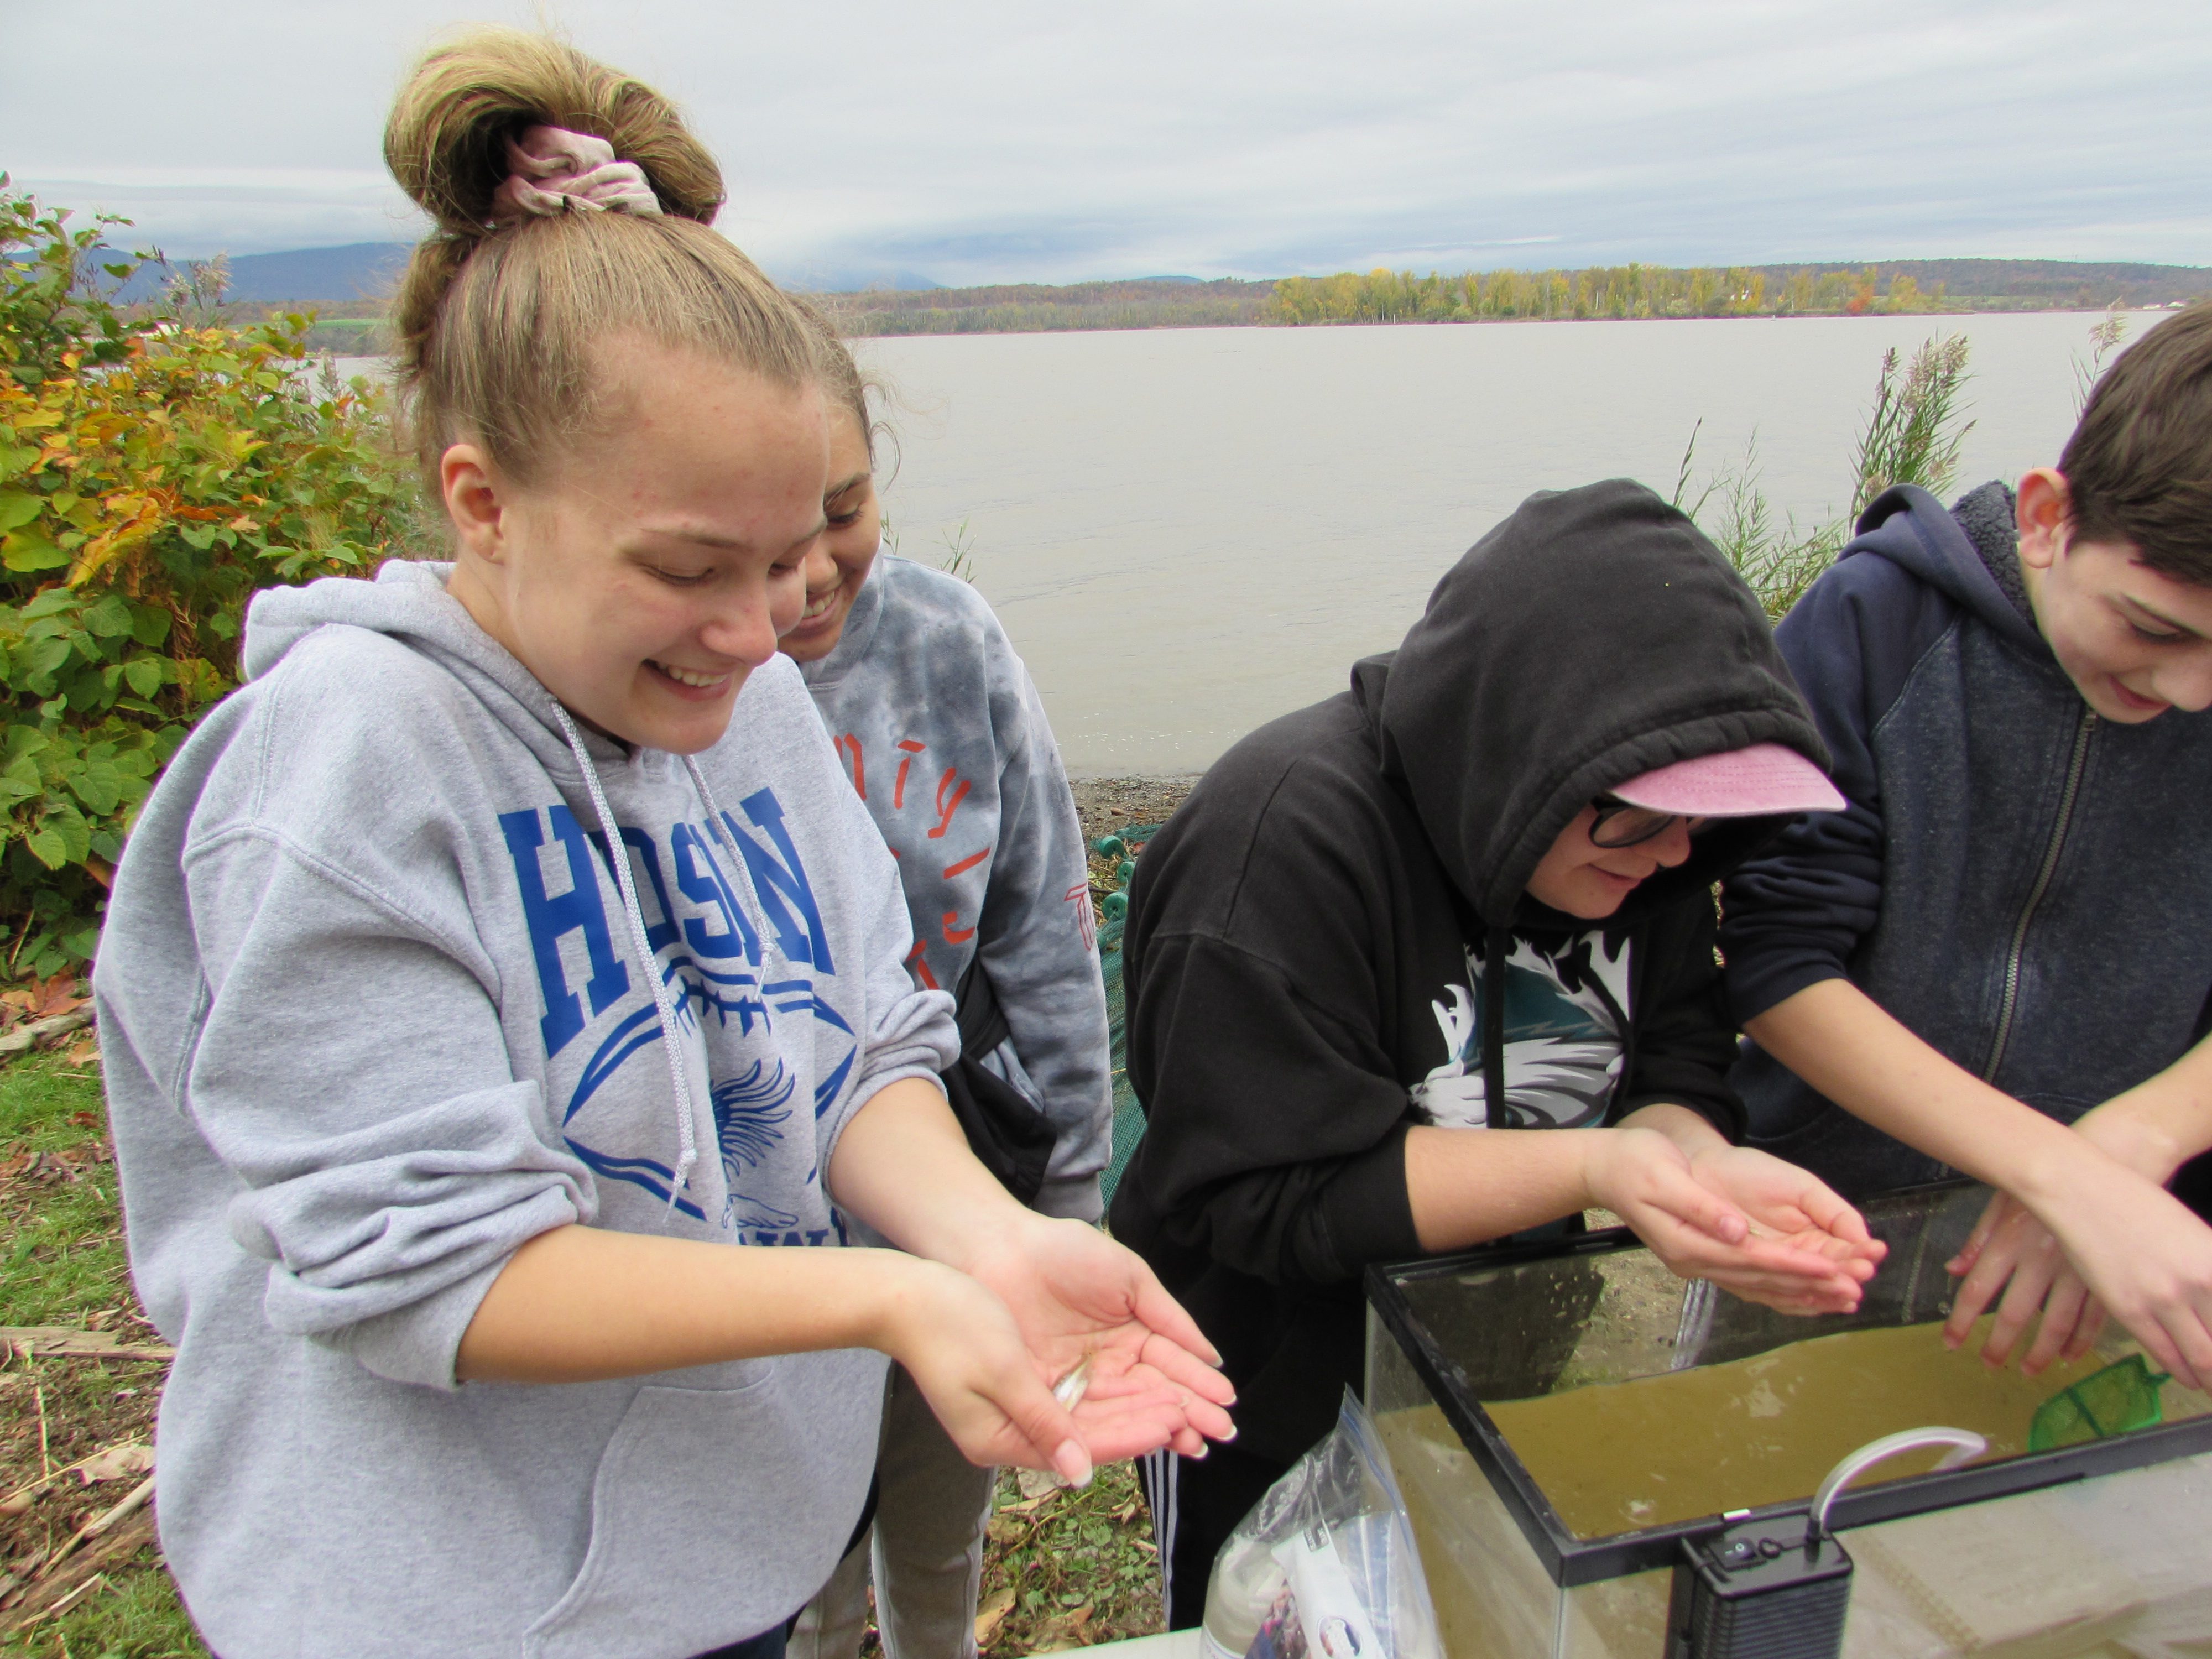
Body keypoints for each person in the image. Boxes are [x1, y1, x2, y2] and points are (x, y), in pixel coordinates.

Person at [92, 32, 1229, 1659]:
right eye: (692, 566)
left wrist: (990, 1236)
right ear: (481, 502)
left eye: (794, 556)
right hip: (443, 1606)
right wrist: (889, 1295)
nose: (759, 627)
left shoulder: (748, 697)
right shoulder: (346, 764)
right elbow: (432, 1276)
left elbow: (863, 1045)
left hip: (729, 1556)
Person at [1109, 480, 1886, 1626]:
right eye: (1636, 816)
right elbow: (1271, 1198)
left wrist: (1693, 1168)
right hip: (1252, 1390)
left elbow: (1675, 1060)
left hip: (1492, 1366)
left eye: (1701, 822)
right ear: (1524, 753)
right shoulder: (1272, 853)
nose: (1672, 855)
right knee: (1253, 1625)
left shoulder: (1651, 856)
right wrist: (1593, 1170)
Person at [1720, 304, 2212, 1394]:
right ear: (2046, 516)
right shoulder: (1871, 620)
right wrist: (2055, 1173)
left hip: (2138, 1242)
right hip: (1836, 1218)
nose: (2188, 692)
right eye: (2153, 627)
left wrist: (2122, 1158)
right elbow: (1774, 963)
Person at [780, 321, 1113, 1658]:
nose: (808, 573)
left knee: (935, 1506)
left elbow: (1044, 923)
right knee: (794, 1537)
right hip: (757, 1222)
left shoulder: (945, 641)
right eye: (743, 543)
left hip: (958, 1169)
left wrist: (1072, 1185)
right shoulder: (674, 687)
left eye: (843, 509)